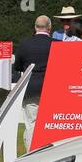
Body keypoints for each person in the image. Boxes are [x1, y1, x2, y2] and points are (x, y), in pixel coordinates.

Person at [14, 16, 53, 149]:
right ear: (49, 28)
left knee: (31, 124)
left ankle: (31, 154)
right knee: (51, 124)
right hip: (51, 89)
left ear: (35, 27)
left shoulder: (25, 44)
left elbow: (17, 66)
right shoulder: (57, 44)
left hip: (30, 89)